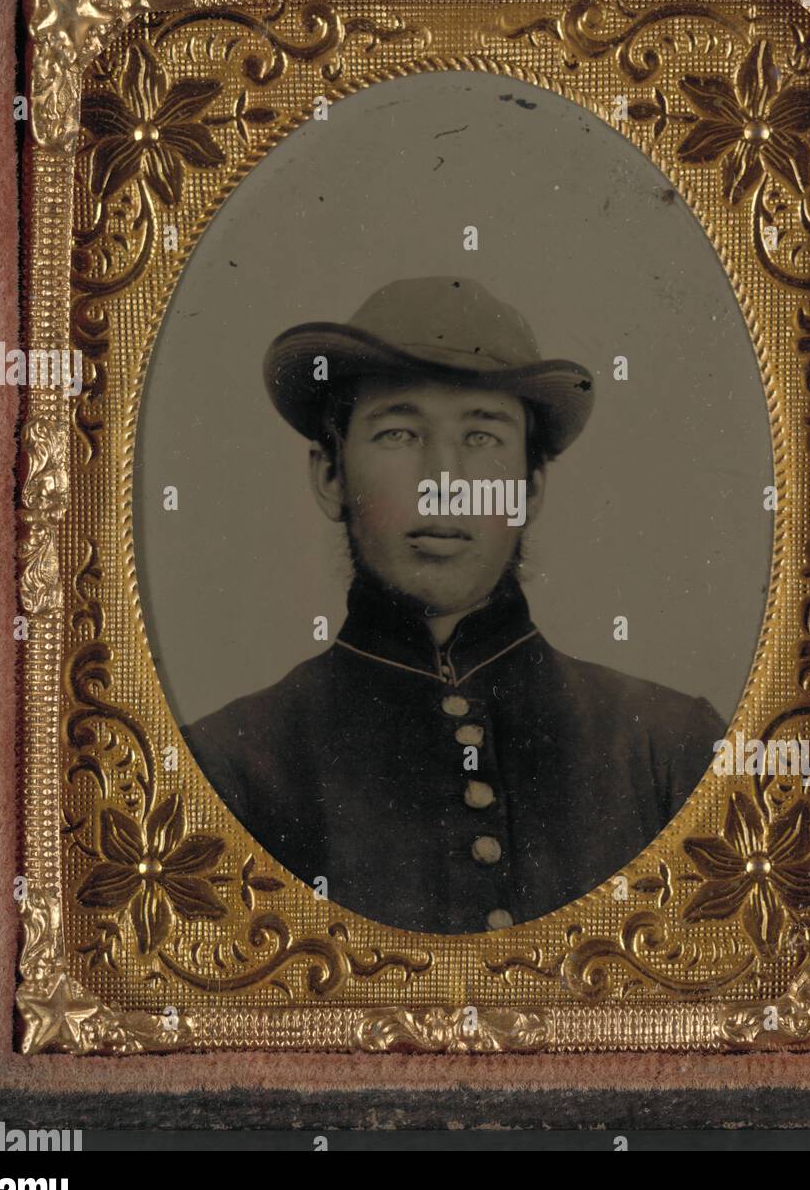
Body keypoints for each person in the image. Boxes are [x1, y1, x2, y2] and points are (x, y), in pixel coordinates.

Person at [182, 276, 722, 934]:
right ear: (329, 474)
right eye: (399, 433)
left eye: (483, 435)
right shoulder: (223, 768)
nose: (444, 482)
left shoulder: (669, 750)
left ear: (530, 487)